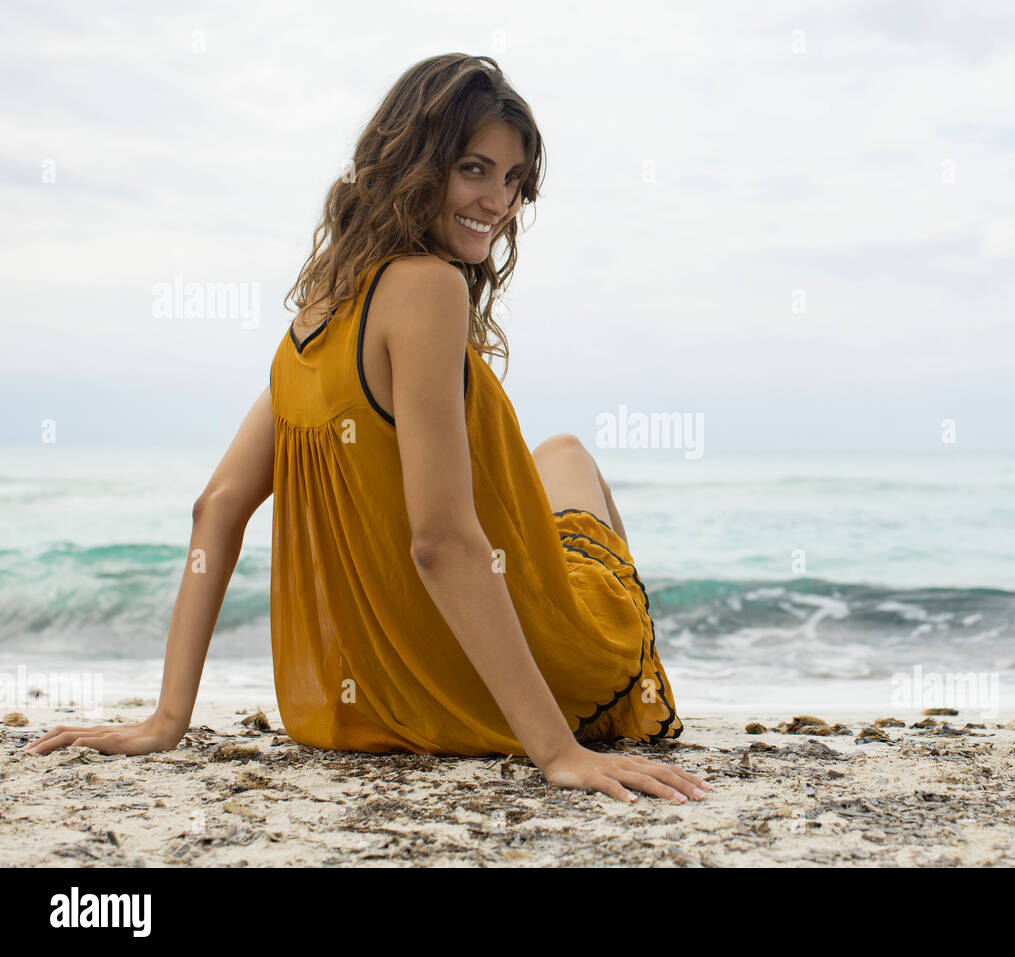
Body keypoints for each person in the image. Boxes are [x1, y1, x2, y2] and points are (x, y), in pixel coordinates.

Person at [23, 54, 709, 807]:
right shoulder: (431, 288)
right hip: (505, 690)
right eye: (475, 169)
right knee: (569, 451)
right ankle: (614, 688)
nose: (499, 201)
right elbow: (440, 540)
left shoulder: (316, 316)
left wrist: (168, 718)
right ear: (416, 163)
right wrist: (556, 751)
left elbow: (216, 506)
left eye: (514, 181)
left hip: (350, 708)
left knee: (548, 458)